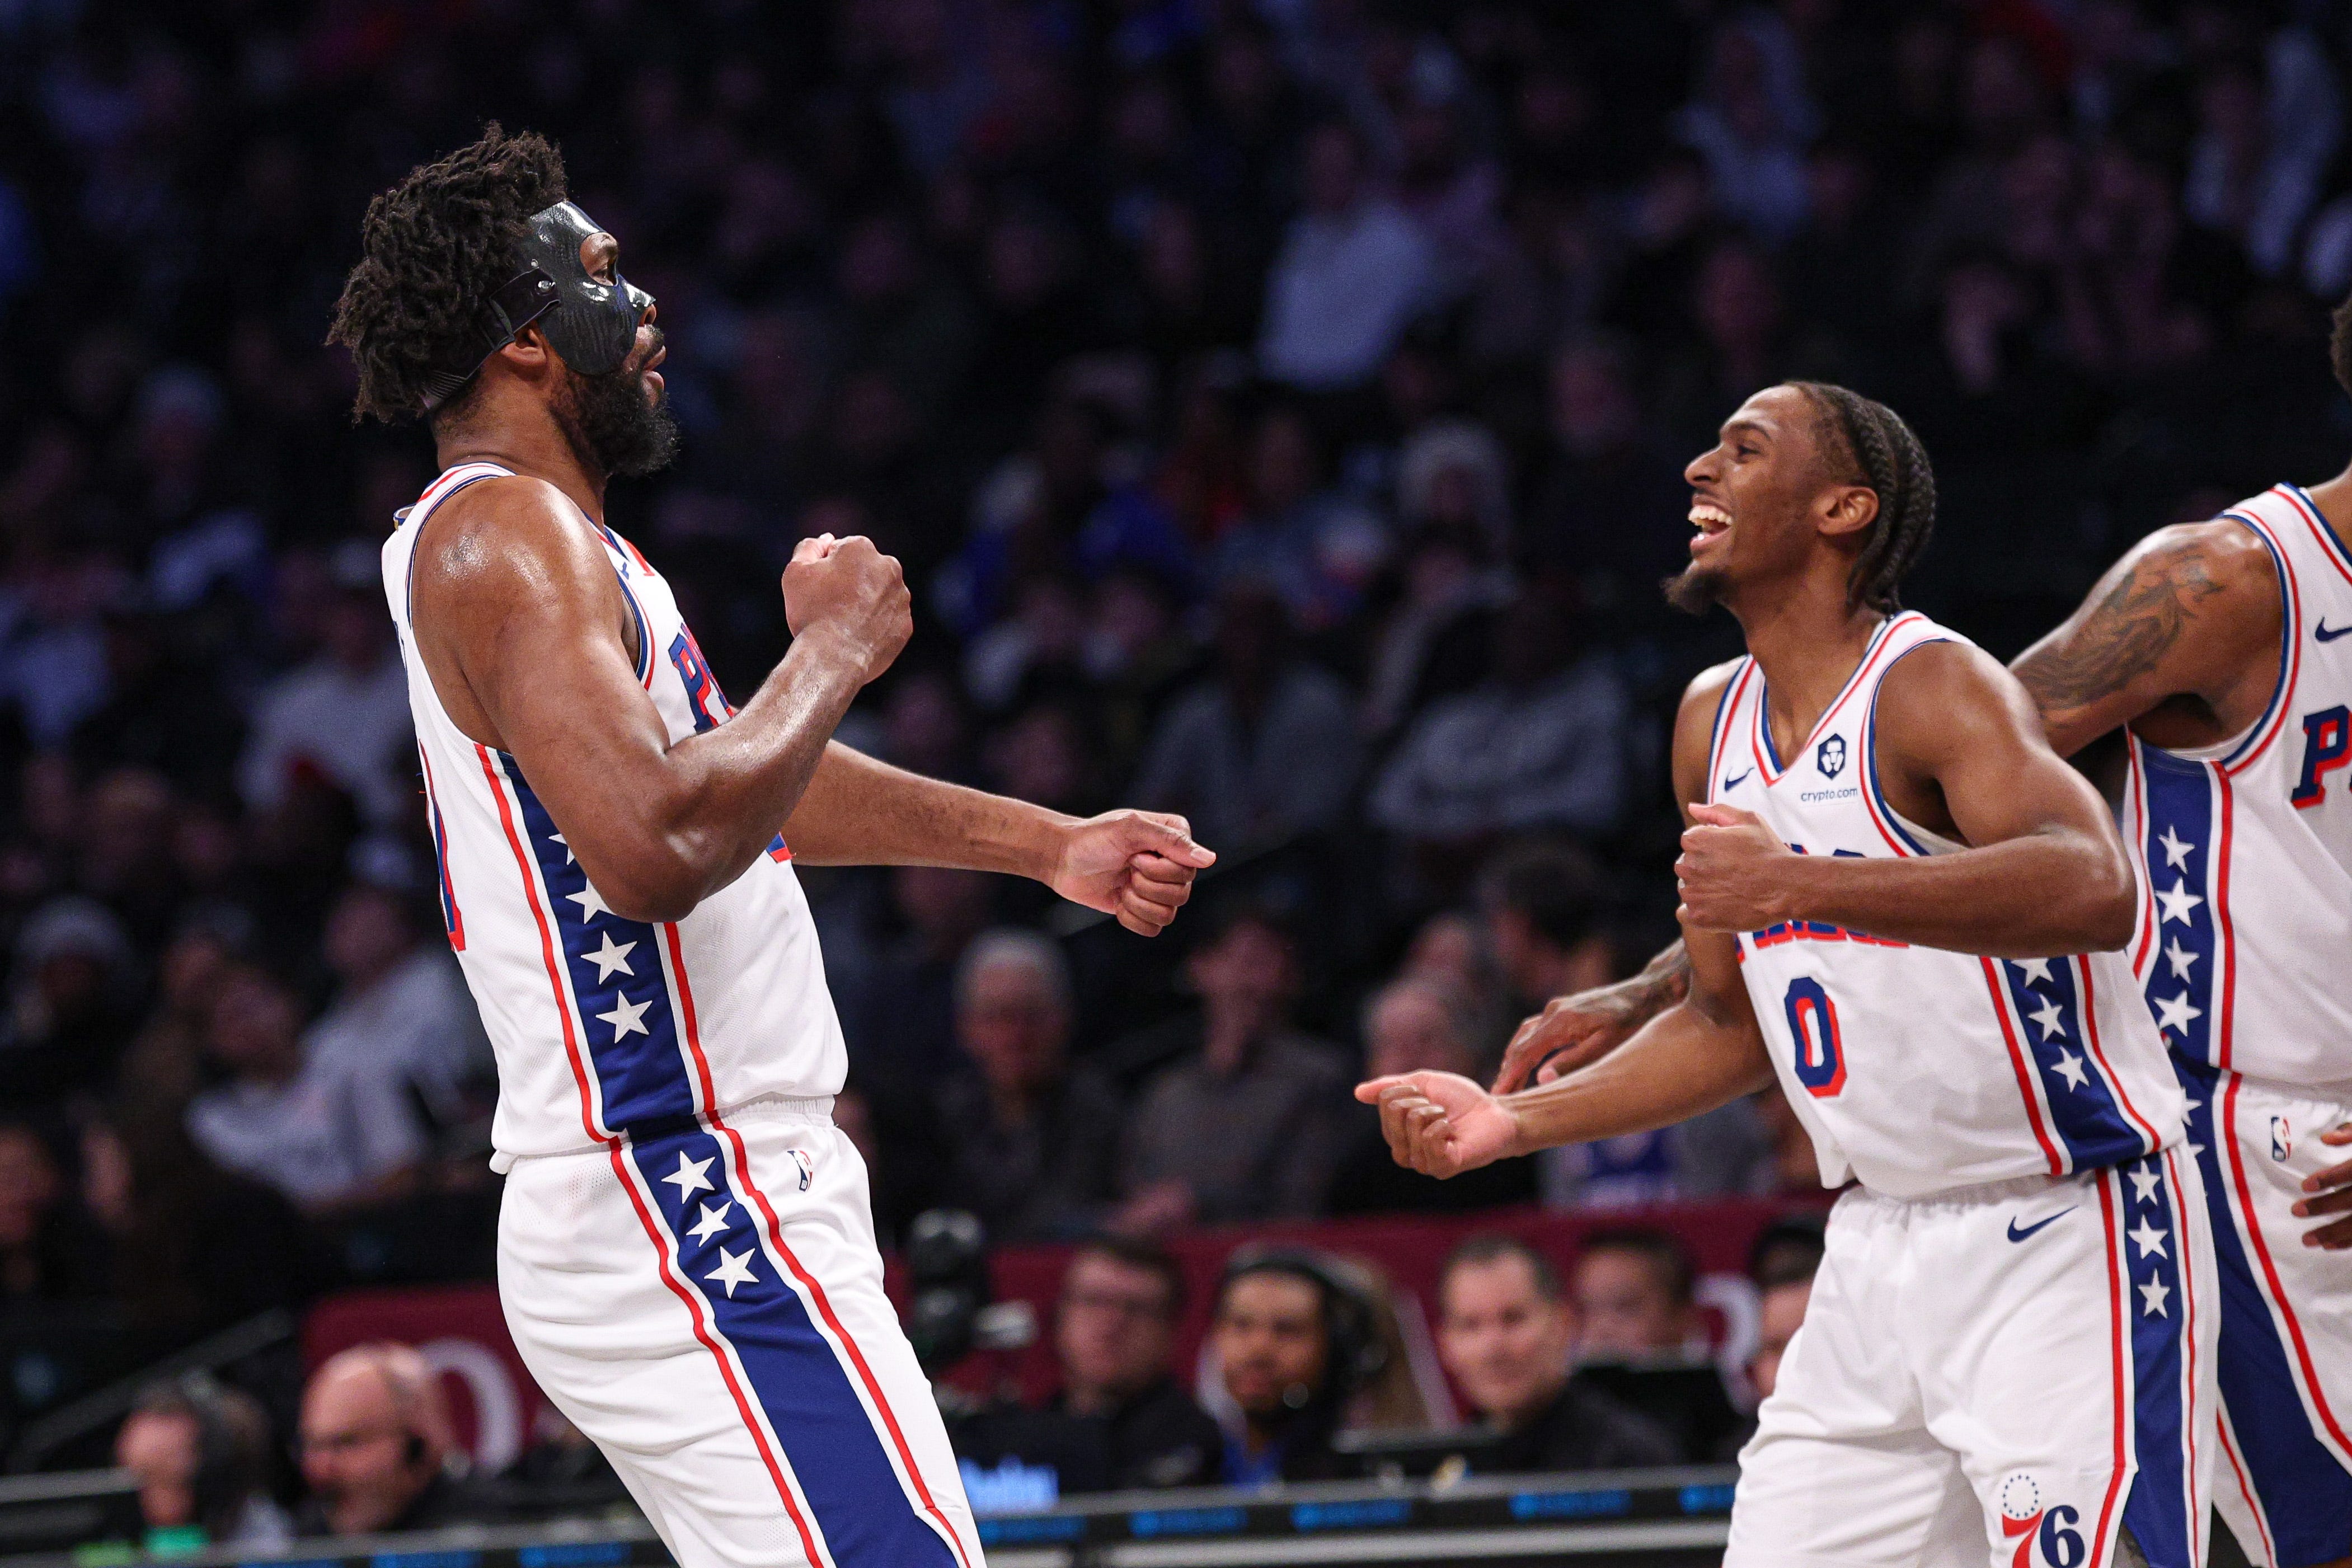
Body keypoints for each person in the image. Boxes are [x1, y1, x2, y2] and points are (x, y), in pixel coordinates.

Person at [326, 128, 1211, 1568]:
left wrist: (1047, 847)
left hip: (693, 1189)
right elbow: (661, 845)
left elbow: (747, 790)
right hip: (679, 1186)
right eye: (602, 274)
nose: (646, 305)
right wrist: (835, 651)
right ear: (525, 341)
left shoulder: (545, 545)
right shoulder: (503, 537)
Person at [1360, 382, 2213, 1565]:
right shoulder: (1710, 720)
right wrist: (1510, 1123)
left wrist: (1803, 884)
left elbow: (2092, 884)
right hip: (1870, 1245)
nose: (1696, 473)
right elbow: (1726, 1020)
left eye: (1742, 451)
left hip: (2068, 1226)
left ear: (1841, 509)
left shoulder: (1930, 682)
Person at [1118, 905, 1350, 1228]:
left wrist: (1197, 1206)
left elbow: (1301, 1204)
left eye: (1266, 963)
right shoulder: (1166, 1093)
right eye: (1240, 960)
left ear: (1291, 976)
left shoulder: (1320, 1079)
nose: (1250, 981)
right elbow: (1134, 1196)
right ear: (1199, 968)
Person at [952, 1238, 1224, 1493]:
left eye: (1137, 1308)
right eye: (1095, 1301)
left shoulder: (1195, 1444)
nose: (1112, 1324)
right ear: (1060, 1315)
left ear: (1171, 1332)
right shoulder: (1016, 1433)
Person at [930, 929, 1122, 1242]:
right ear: (966, 1028)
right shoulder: (939, 1119)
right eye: (997, 1017)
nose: (1015, 1036)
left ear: (1062, 1019)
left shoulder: (1100, 1112)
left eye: (1030, 1016)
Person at [1432, 1236, 1677, 1473]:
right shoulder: (1446, 1466)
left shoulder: (1629, 1458)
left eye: (1513, 1319)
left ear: (1563, 1324)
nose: (1493, 1349)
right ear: (1445, 1344)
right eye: (1470, 1325)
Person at [1327, 977, 1537, 1214]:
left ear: (1468, 1053)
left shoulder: (1515, 1146)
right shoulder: (1349, 1164)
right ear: (1370, 1066)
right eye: (1393, 1046)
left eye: (1427, 1040)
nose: (1409, 1060)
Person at [1206, 1248, 1373, 1485]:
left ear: (1335, 1349)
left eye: (1287, 1330)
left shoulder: (1361, 1475)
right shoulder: (1186, 1463)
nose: (1258, 1350)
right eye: (1241, 1325)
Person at [296, 1342, 497, 1537]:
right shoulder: (302, 1538)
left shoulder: (499, 1534)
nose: (320, 1470)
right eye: (314, 1445)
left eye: (347, 1443)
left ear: (417, 1448)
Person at [115, 1378, 292, 1549]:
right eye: (144, 1480)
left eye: (171, 1481)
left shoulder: (264, 1541)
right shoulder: (129, 1544)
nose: (153, 1499)